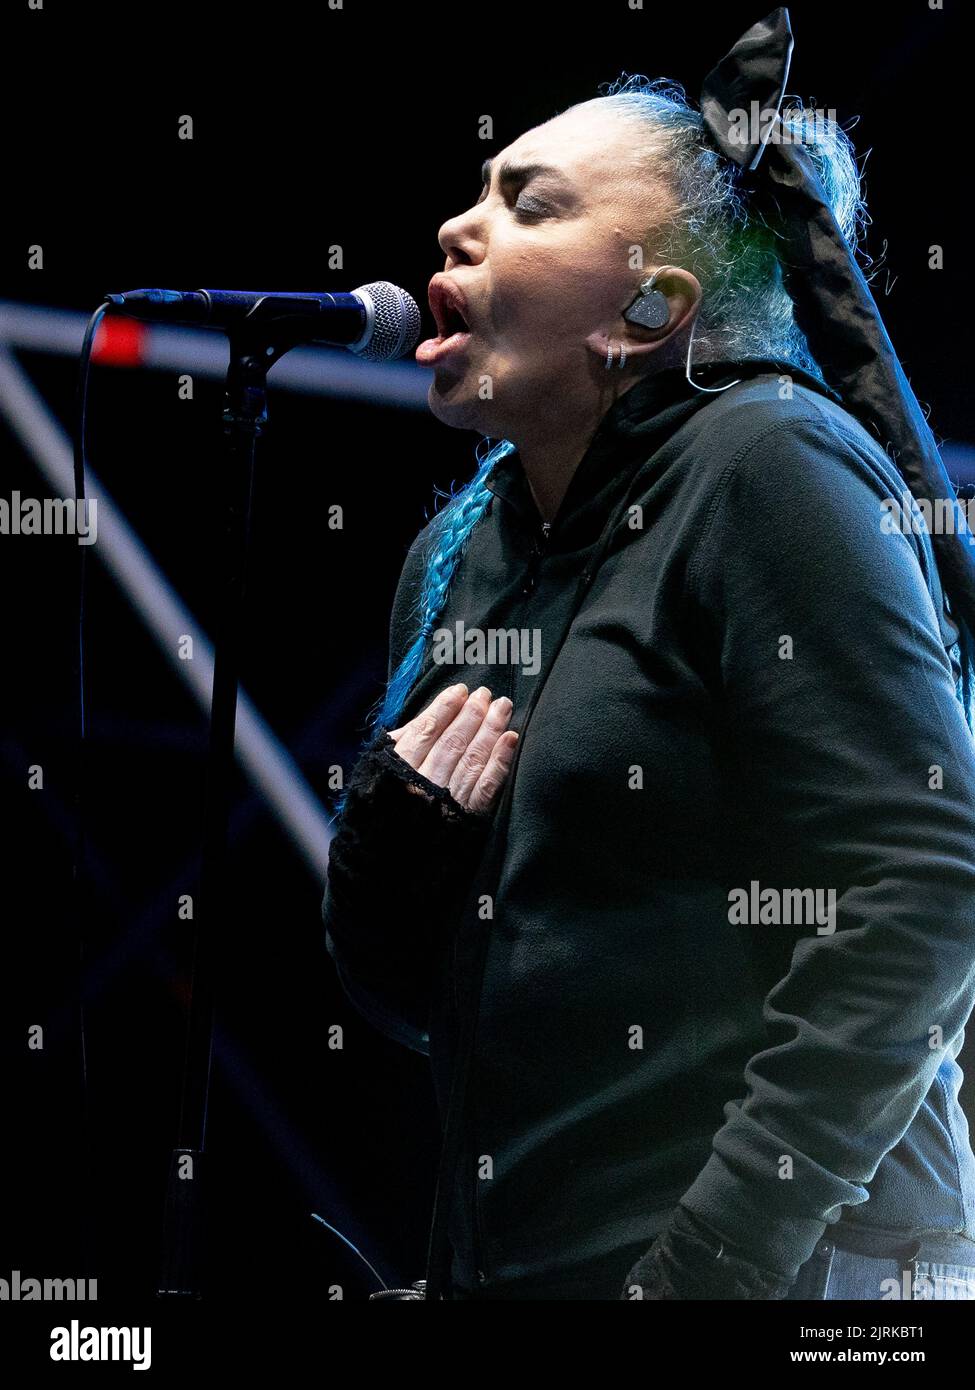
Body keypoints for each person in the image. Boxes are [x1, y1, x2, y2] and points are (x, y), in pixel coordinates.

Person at [322, 55, 975, 1301]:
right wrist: (392, 853)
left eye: (532, 203)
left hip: (802, 1273)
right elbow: (418, 1006)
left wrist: (707, 1273)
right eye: (479, 191)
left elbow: (924, 891)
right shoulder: (460, 551)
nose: (459, 226)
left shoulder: (769, 467)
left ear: (650, 308)